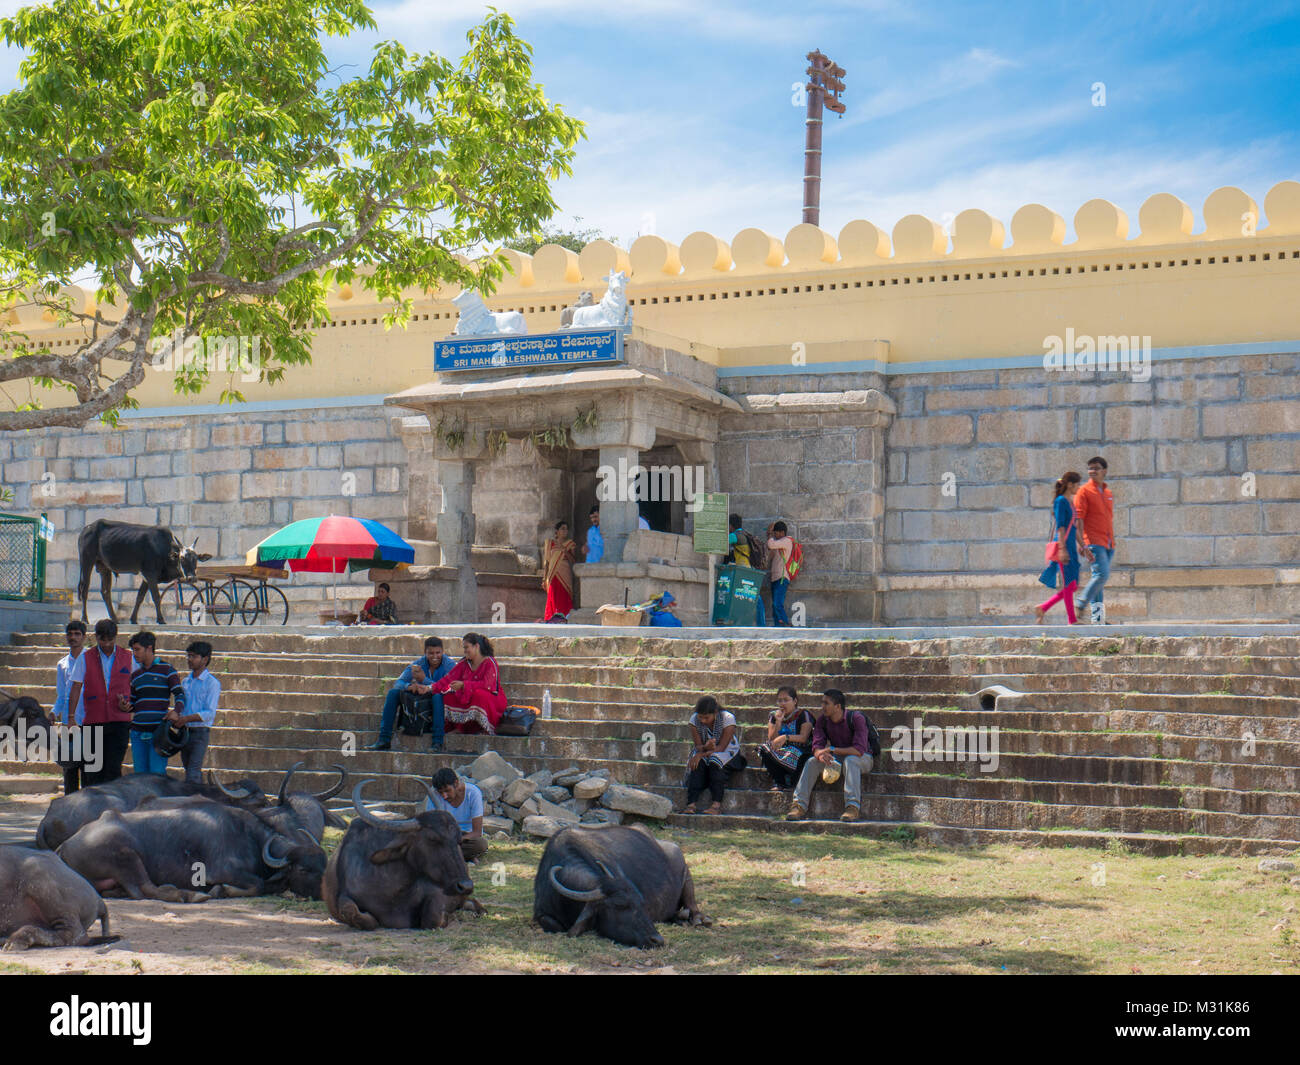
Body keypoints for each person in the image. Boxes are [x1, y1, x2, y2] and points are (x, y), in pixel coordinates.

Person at [786, 689, 873, 823]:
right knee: (811, 762)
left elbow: (858, 750)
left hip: (863, 758)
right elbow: (816, 746)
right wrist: (819, 755)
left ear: (837, 706)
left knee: (851, 760)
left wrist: (832, 749)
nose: (822, 706)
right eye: (822, 702)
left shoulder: (856, 718)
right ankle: (799, 806)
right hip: (838, 756)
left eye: (826, 703)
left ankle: (852, 808)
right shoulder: (823, 720)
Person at [65, 618, 133, 786]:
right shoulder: (85, 658)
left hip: (119, 722)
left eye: (110, 640)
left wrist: (132, 706)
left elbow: (137, 685)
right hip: (93, 721)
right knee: (92, 769)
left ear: (116, 637)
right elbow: (76, 687)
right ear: (96, 637)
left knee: (113, 769)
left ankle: (112, 807)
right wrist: (71, 717)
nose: (107, 644)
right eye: (103, 640)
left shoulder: (128, 657)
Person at [366, 637, 457, 752]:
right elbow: (398, 683)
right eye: (430, 653)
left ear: (442, 652)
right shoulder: (418, 664)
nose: (435, 656)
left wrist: (425, 682)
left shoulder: (450, 665)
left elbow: (450, 687)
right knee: (393, 693)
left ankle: (437, 742)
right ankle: (384, 739)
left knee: (437, 696)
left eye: (438, 653)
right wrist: (409, 687)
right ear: (425, 653)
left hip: (440, 699)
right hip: (420, 699)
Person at [126, 631, 186, 776]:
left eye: (137, 649)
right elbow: (133, 703)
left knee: (157, 775)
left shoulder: (167, 670)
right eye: (133, 650)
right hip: (137, 732)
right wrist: (125, 706)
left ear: (149, 648)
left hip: (158, 733)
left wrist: (176, 711)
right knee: (139, 776)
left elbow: (180, 694)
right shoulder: (135, 676)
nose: (135, 653)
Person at [431, 633, 506, 735]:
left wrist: (464, 685)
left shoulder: (490, 662)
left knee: (479, 695)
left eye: (467, 647)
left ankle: (485, 728)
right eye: (464, 648)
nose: (465, 651)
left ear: (476, 646)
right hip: (469, 694)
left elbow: (488, 685)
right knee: (448, 696)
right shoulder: (465, 663)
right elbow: (448, 678)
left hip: (492, 698)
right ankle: (461, 728)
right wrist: (430, 688)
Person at [1035, 472, 1083, 624]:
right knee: (1069, 583)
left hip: (1071, 546)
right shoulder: (1061, 501)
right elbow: (1061, 527)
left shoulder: (1070, 502)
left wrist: (1084, 547)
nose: (1078, 487)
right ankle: (1072, 620)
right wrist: (1062, 549)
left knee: (1073, 585)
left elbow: (1073, 528)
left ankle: (1043, 607)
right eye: (1077, 484)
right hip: (1064, 545)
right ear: (1070, 484)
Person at [682, 696, 743, 815]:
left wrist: (702, 754)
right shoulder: (694, 720)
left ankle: (716, 805)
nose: (703, 721)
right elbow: (698, 746)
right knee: (696, 763)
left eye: (706, 717)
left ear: (715, 713)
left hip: (727, 751)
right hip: (706, 750)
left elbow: (722, 747)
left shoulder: (728, 718)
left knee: (715, 761)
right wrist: (704, 749)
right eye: (701, 717)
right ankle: (691, 804)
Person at [1074, 456, 1117, 624]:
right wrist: (1082, 544)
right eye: (1090, 468)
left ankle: (1097, 618)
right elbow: (1079, 518)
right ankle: (1081, 603)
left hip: (1108, 542)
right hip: (1093, 541)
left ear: (1104, 471)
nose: (1092, 471)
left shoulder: (1107, 493)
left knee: (1098, 579)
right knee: (1102, 574)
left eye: (1096, 468)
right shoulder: (1084, 491)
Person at [174, 641, 220, 784]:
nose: (190, 659)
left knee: (193, 771)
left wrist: (186, 718)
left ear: (205, 659)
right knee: (189, 769)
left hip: (200, 732)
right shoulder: (186, 681)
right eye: (188, 656)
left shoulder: (212, 683)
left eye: (194, 656)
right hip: (185, 731)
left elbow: (209, 713)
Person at [757, 686, 815, 796]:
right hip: (782, 750)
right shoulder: (774, 715)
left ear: (795, 701)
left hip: (801, 749)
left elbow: (804, 737)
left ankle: (794, 783)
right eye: (779, 700)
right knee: (765, 749)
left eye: (786, 700)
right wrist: (778, 722)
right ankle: (779, 782)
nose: (782, 703)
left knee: (799, 754)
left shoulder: (803, 714)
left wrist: (786, 737)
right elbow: (772, 739)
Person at [51, 620, 87, 794]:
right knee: (69, 768)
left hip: (87, 721)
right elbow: (62, 694)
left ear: (84, 637)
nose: (73, 637)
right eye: (70, 634)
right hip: (67, 723)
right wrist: (53, 712)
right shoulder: (62, 664)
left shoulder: (90, 660)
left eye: (77, 634)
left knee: (88, 767)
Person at [424, 767, 487, 864]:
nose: (444, 796)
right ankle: (465, 856)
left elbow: (477, 832)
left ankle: (443, 856)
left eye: (447, 791)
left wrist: (456, 840)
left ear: (456, 783)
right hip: (445, 835)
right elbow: (430, 827)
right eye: (441, 793)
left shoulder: (473, 793)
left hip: (466, 837)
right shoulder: (434, 795)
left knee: (481, 844)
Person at [726, 513, 766, 626]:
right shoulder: (744, 534)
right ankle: (757, 623)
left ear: (731, 525)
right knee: (753, 595)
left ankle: (760, 624)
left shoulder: (736, 535)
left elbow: (722, 541)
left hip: (744, 570)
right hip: (749, 569)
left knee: (753, 597)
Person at [541, 521, 576, 622]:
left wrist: (565, 551)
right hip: (553, 574)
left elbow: (573, 560)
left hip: (565, 573)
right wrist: (544, 578)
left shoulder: (570, 544)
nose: (565, 531)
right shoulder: (550, 543)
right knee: (553, 595)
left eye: (566, 529)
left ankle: (565, 617)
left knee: (564, 595)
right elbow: (547, 562)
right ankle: (551, 618)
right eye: (563, 529)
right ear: (557, 531)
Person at [767, 521, 795, 628]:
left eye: (776, 533)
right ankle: (778, 627)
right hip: (775, 578)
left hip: (782, 578)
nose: (774, 535)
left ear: (782, 532)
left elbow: (770, 544)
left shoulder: (787, 541)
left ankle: (786, 625)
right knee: (775, 607)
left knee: (777, 604)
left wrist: (769, 534)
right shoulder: (779, 543)